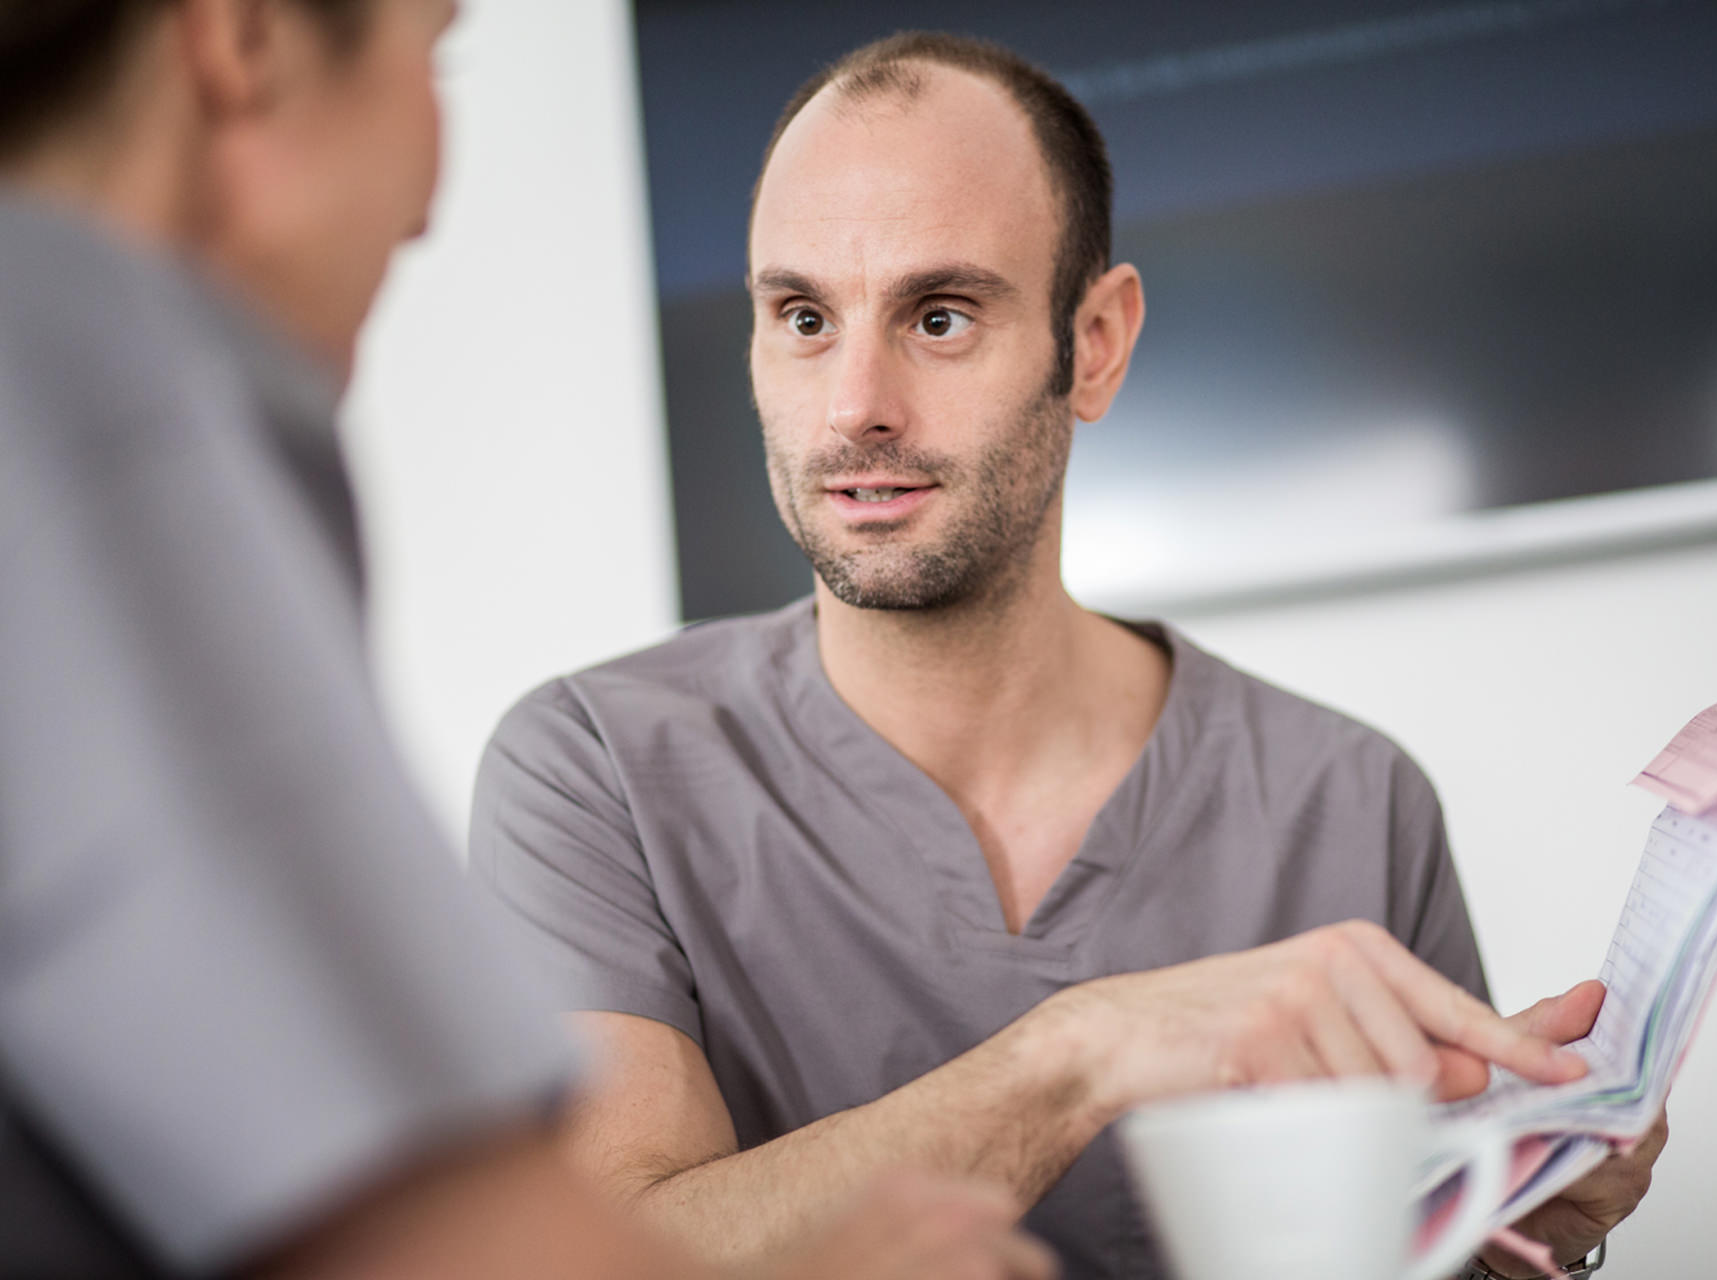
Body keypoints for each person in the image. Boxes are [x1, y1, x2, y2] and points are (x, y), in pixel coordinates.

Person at [470, 30, 1668, 1280]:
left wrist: (1520, 1229)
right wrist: (1077, 1052)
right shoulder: (594, 771)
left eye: (939, 316)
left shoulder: (1350, 803)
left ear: (1093, 343)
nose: (854, 404)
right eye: (805, 316)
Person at [0, 4, 1056, 1278]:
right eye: (430, 54)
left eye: (941, 316)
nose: (434, 197)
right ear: (245, 41)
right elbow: (430, 1242)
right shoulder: (79, 380)